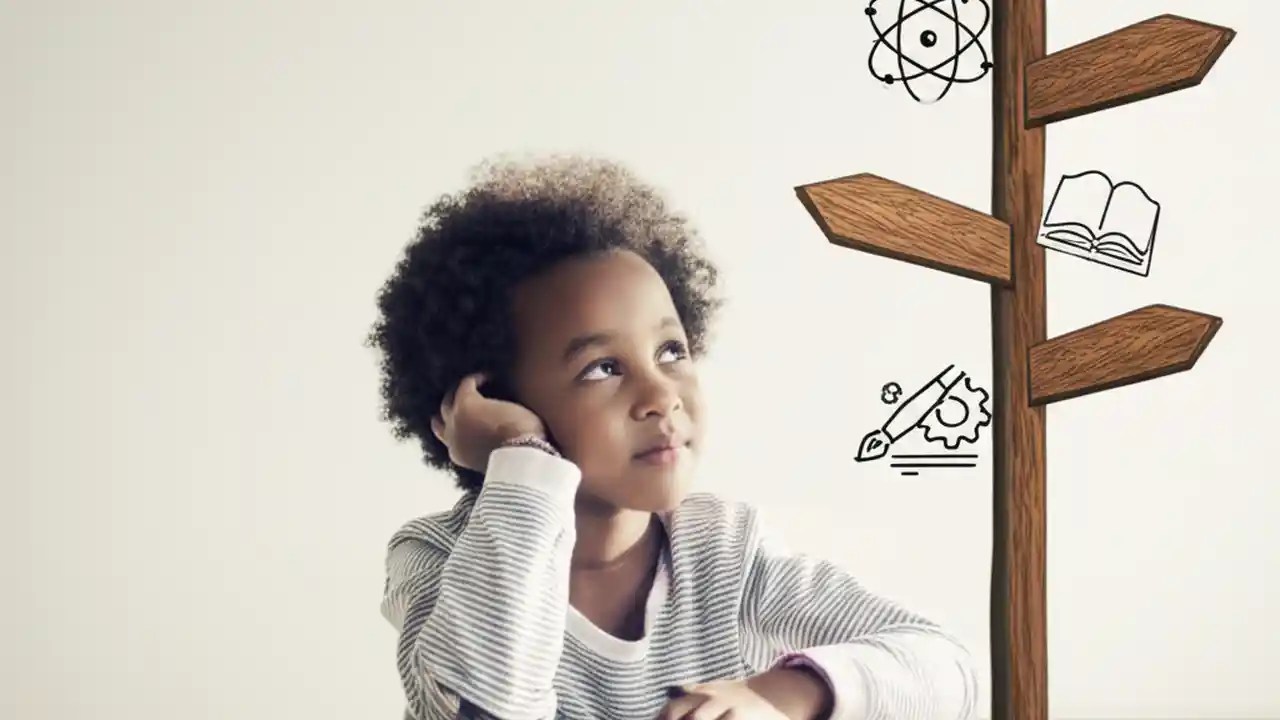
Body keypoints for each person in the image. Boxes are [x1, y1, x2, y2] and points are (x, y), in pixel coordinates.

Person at [364, 153, 980, 720]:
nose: (662, 396)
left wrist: (782, 695)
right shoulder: (433, 559)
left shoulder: (722, 555)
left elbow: (943, 666)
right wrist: (522, 461)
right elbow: (486, 706)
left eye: (670, 350)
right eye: (601, 368)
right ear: (494, 401)